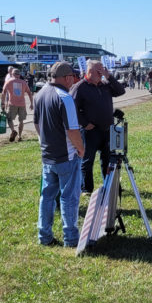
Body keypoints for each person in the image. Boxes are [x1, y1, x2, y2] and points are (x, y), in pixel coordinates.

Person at [33, 62, 85, 247]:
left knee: (47, 196)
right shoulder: (65, 98)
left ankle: (44, 235)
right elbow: (72, 130)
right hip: (66, 155)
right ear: (67, 78)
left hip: (48, 155)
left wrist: (45, 142)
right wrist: (80, 148)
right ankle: (71, 238)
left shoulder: (39, 94)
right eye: (73, 77)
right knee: (69, 197)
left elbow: (37, 124)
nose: (74, 81)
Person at [70, 60, 126, 194]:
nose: (102, 73)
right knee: (87, 160)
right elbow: (72, 108)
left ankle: (109, 186)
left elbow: (121, 91)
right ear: (90, 71)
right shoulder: (80, 87)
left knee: (108, 159)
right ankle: (86, 188)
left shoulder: (105, 85)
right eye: (99, 71)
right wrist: (84, 123)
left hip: (107, 129)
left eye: (103, 70)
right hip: (90, 131)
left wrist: (109, 76)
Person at [1, 68, 35, 142]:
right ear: (19, 75)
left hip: (12, 104)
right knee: (21, 120)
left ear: (12, 74)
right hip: (22, 104)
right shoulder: (23, 82)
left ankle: (13, 131)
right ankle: (19, 136)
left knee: (9, 119)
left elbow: (3, 92)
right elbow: (29, 93)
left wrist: (2, 103)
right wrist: (31, 103)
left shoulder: (9, 82)